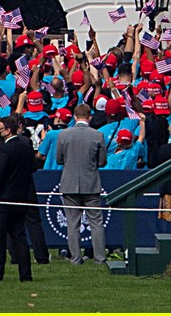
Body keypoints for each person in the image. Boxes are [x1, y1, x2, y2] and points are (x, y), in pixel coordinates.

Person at [56, 103, 108, 265]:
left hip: (69, 183)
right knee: (96, 222)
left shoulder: (63, 135)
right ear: (90, 117)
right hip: (91, 183)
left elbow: (59, 159)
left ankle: (76, 258)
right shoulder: (97, 135)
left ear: (74, 117)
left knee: (72, 223)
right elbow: (102, 161)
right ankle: (99, 258)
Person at [0, 115, 37, 283]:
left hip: (3, 199)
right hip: (21, 197)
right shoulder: (26, 148)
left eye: (1, 129)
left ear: (8, 131)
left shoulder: (4, 149)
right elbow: (32, 168)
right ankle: (26, 274)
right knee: (19, 237)